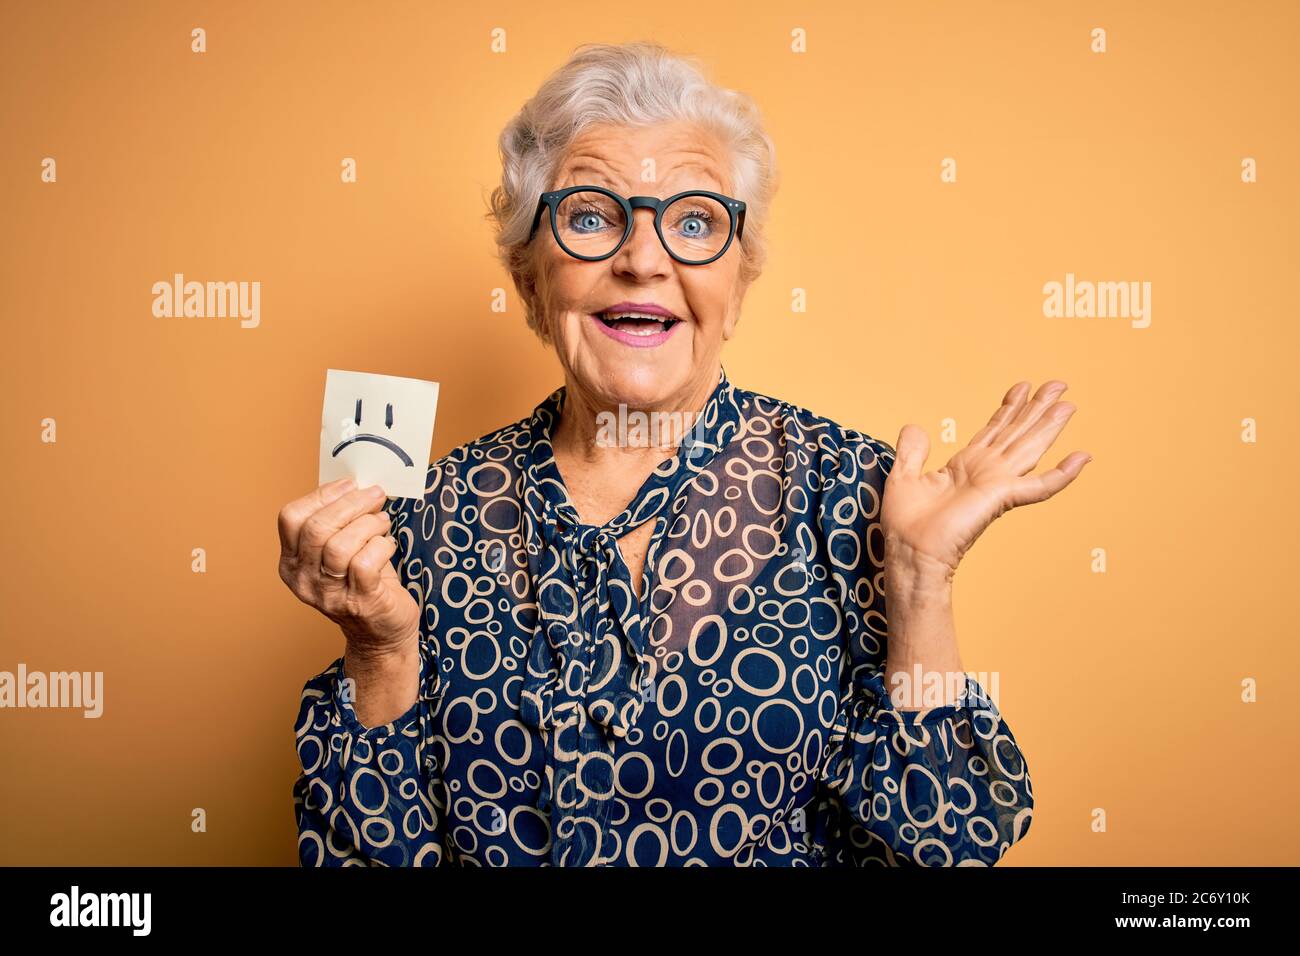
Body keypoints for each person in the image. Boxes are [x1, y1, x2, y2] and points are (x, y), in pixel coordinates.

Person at [278, 41, 1089, 866]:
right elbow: (359, 857)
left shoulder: (852, 492)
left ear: (740, 281)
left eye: (694, 221)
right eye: (591, 216)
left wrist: (920, 586)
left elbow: (943, 846)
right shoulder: (417, 518)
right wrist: (377, 649)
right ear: (529, 278)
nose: (643, 259)